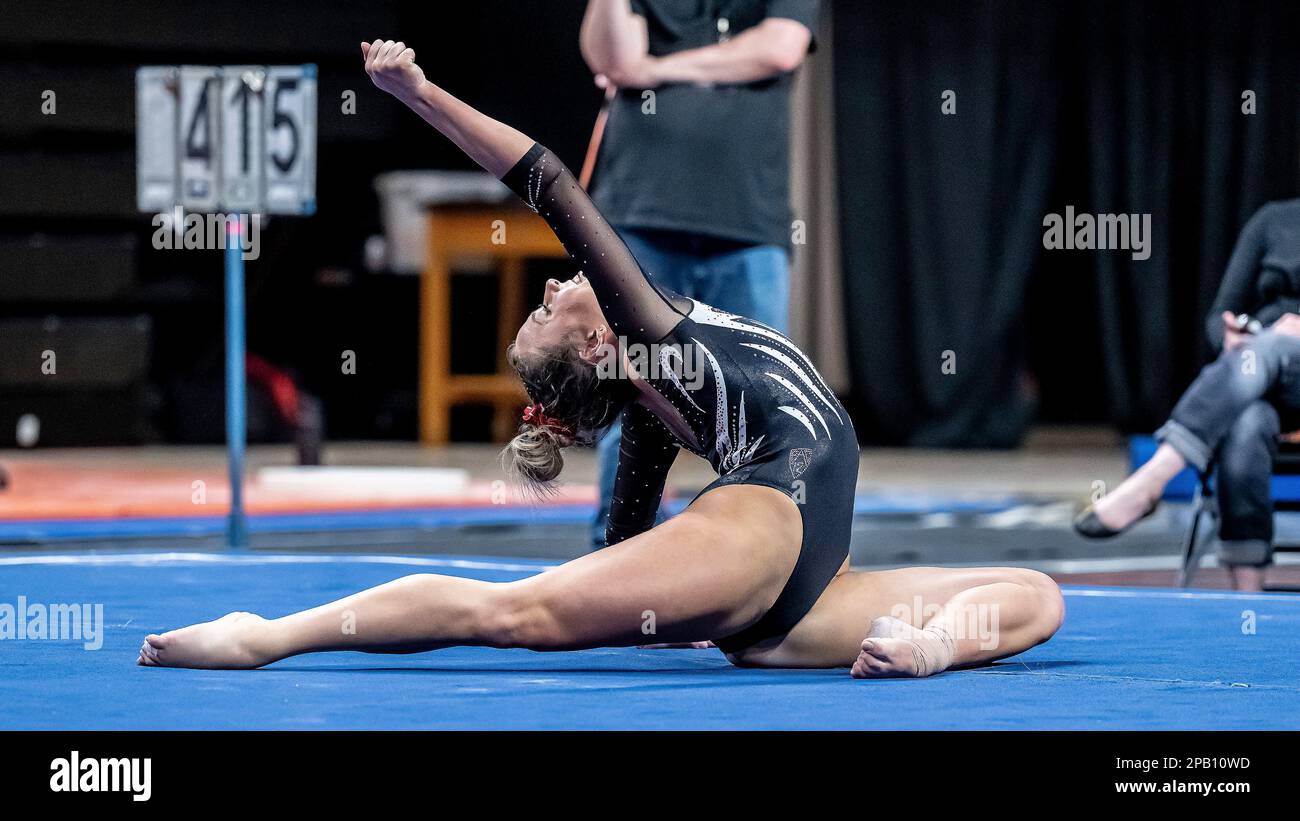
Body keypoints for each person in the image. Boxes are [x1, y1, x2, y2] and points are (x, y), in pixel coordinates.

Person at [137, 40, 1063, 678]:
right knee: (512, 610)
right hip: (773, 530)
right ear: (597, 339)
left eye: (543, 298)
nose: (551, 288)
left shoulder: (662, 403)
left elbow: (628, 551)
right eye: (550, 309)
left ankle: (923, 652)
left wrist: (673, 604)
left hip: (815, 594)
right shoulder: (652, 340)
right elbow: (546, 179)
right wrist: (418, 94)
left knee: (1036, 595)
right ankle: (266, 636)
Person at [580, 0, 817, 549]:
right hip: (640, 213)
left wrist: (660, 68)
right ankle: (622, 546)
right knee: (629, 384)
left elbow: (778, 48)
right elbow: (615, 60)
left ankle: (760, 546)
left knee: (763, 395)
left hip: (747, 222)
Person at [1075, 200, 1300, 591]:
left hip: (1276, 360)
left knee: (1272, 347)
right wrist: (1230, 335)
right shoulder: (1273, 220)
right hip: (1258, 382)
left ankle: (1156, 474)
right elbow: (1219, 316)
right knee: (1245, 422)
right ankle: (1248, 596)